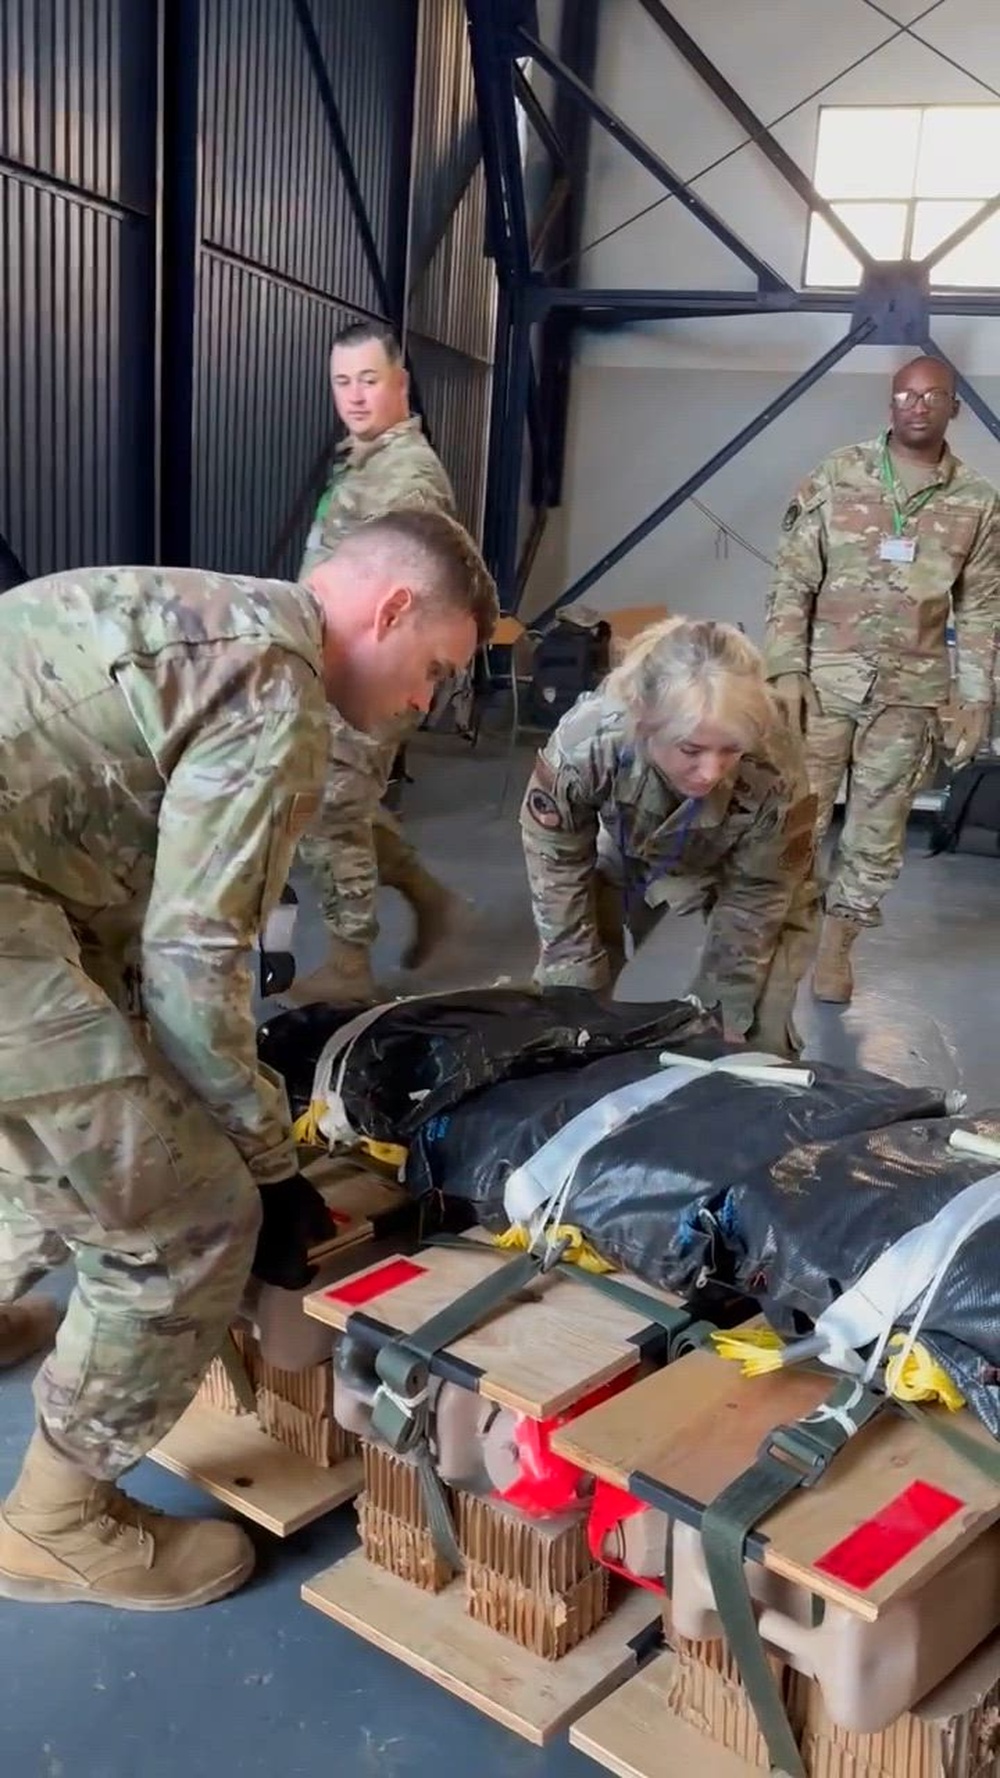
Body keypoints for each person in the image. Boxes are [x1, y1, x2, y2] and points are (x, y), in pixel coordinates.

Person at [0, 510, 497, 1611]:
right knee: (187, 1216)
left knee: (71, 1130)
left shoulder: (197, 611)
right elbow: (197, 961)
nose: (424, 701)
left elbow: (100, 895)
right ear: (390, 610)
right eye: (433, 670)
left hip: (23, 898)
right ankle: (56, 1519)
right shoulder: (275, 689)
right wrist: (267, 1167)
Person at [765, 355, 1000, 1003]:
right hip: (823, 686)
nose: (917, 404)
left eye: (933, 396)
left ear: (954, 408)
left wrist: (977, 696)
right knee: (795, 821)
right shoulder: (839, 476)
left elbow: (981, 607)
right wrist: (784, 666)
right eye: (906, 393)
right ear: (890, 403)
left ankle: (838, 946)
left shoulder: (977, 503)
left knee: (878, 828)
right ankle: (787, 934)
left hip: (910, 695)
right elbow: (792, 578)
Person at [519, 617, 820, 1057]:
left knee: (753, 1038)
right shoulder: (591, 740)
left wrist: (722, 1010)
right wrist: (571, 970)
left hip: (751, 876)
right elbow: (557, 854)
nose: (712, 772)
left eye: (730, 751)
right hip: (634, 849)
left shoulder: (774, 757)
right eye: (691, 750)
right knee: (566, 1011)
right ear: (645, 723)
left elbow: (759, 892)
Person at [294, 318, 468, 1004]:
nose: (356, 396)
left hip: (375, 672)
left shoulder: (408, 476)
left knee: (330, 809)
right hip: (336, 663)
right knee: (342, 802)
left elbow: (415, 590)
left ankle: (348, 965)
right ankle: (431, 898)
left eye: (369, 380)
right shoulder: (362, 460)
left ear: (399, 382)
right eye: (342, 382)